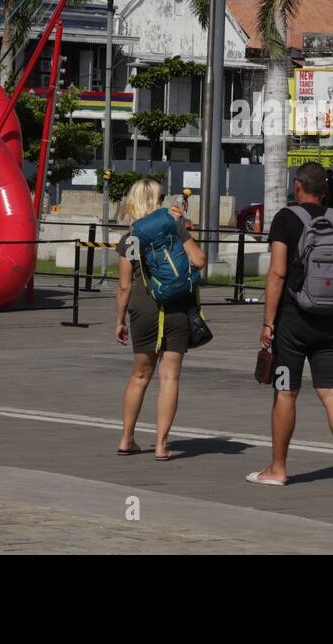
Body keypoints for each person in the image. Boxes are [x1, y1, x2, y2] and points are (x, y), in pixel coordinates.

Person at [248, 161, 333, 491]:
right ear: (324, 190)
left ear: (298, 185)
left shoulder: (286, 219)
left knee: (285, 391)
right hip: (330, 324)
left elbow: (278, 273)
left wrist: (268, 323)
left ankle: (278, 469)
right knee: (332, 391)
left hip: (292, 325)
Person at [114, 180, 206, 459]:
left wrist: (119, 321)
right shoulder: (173, 227)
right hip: (176, 306)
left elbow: (124, 286)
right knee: (169, 378)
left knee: (140, 376)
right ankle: (161, 445)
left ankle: (126, 439)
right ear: (157, 200)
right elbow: (200, 260)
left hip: (143, 310)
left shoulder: (130, 238)